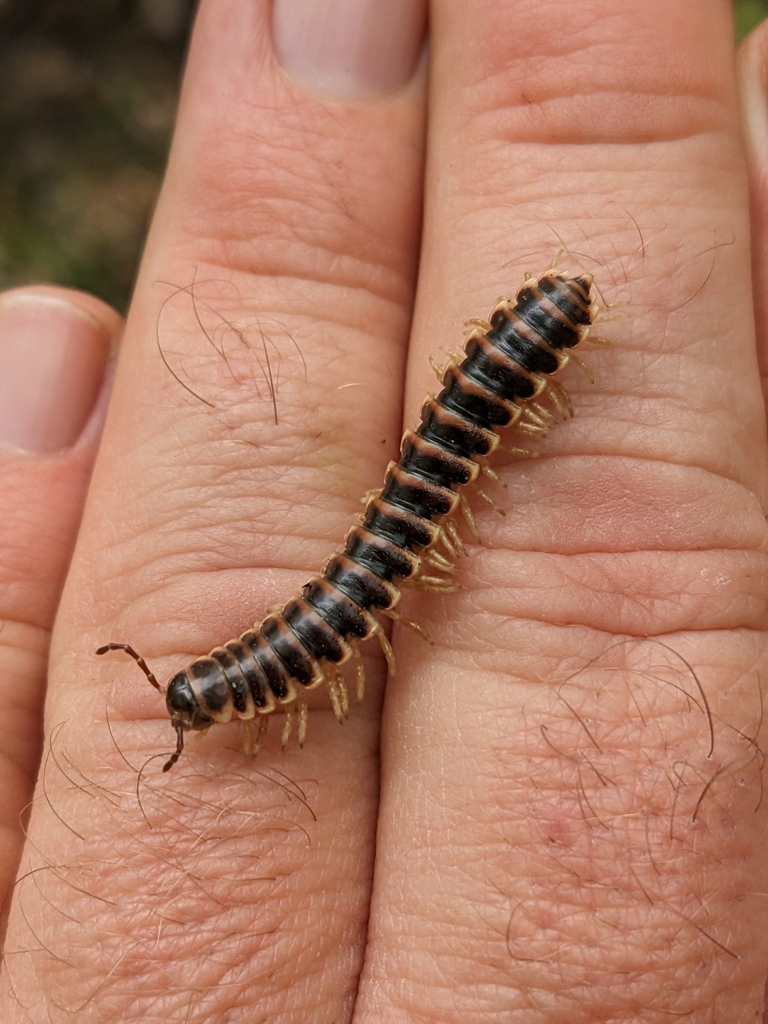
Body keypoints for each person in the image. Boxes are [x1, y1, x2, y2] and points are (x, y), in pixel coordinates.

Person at [2, 0, 768, 1019]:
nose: (196, 700)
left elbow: (371, 579)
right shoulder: (316, 638)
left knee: (406, 518)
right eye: (198, 694)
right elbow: (365, 588)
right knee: (393, 536)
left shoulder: (308, 652)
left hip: (508, 366)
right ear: (251, 676)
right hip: (475, 409)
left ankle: (528, 351)